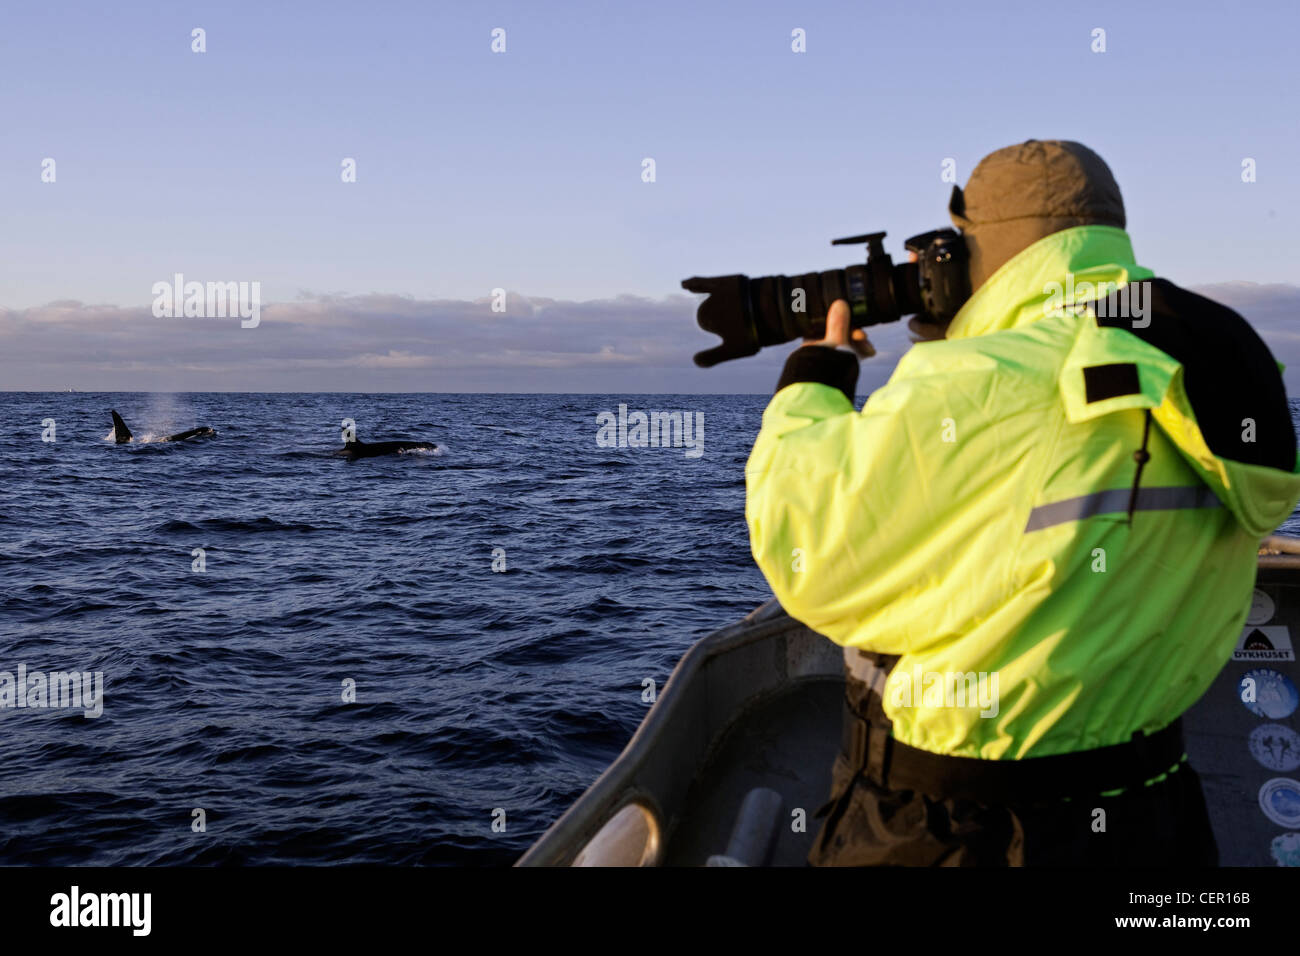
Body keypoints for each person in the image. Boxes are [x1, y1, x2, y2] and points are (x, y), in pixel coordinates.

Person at [745, 139, 1300, 866]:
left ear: (975, 248)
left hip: (954, 827)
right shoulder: (1217, 351)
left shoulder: (963, 380)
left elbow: (805, 555)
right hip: (1154, 812)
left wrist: (815, 376)